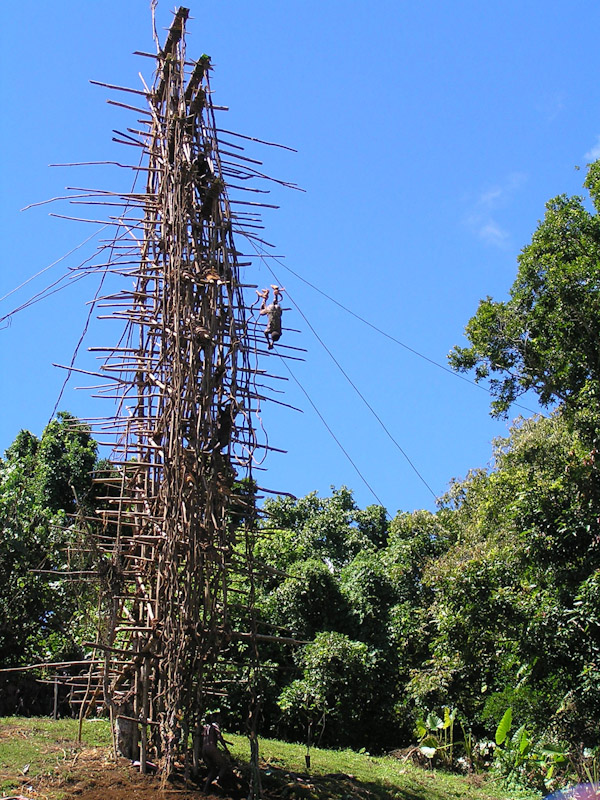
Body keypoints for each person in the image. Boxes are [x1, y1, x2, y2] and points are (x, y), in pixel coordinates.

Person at [202, 713, 233, 792]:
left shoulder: (205, 727)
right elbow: (219, 737)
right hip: (211, 748)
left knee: (212, 769)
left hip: (204, 749)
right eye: (219, 718)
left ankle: (205, 789)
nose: (220, 720)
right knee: (224, 765)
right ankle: (217, 780)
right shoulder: (215, 726)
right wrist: (226, 748)